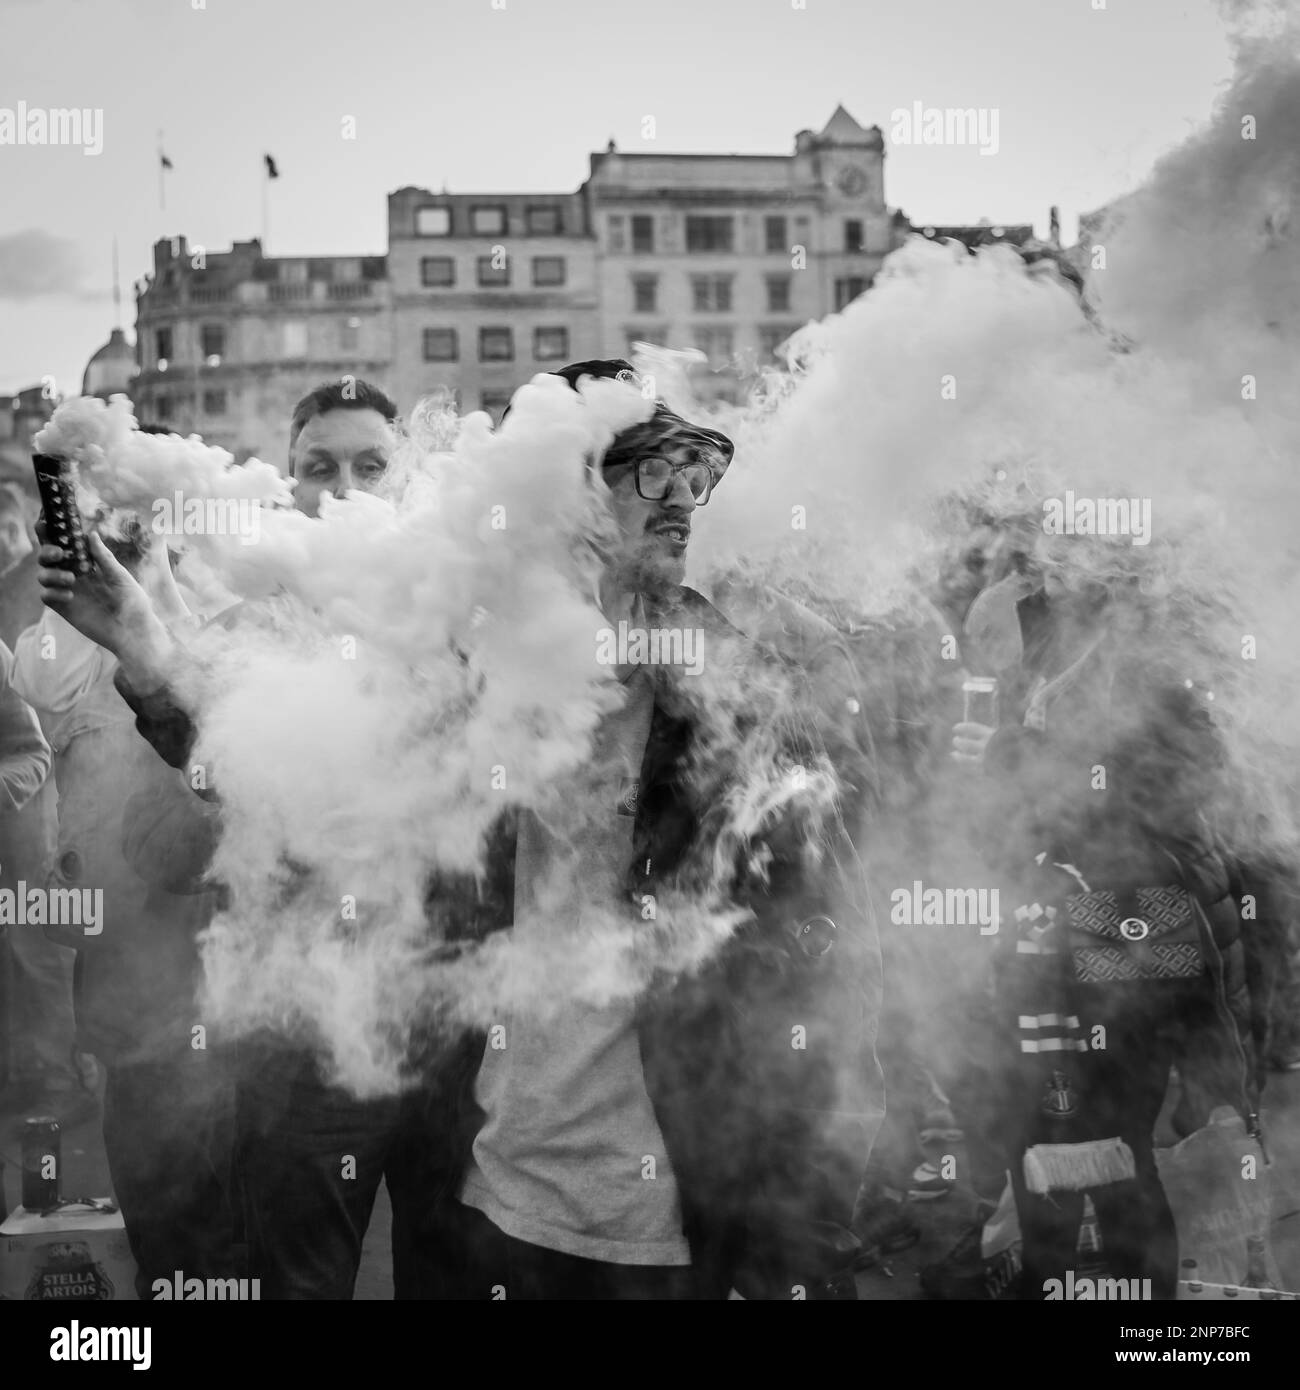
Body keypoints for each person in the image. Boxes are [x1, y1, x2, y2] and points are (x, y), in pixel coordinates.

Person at [424, 359, 884, 1299]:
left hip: (690, 1209)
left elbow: (831, 929)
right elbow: (309, 801)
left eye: (692, 477)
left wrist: (822, 1170)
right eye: (645, 473)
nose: (681, 500)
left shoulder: (733, 684)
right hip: (507, 1195)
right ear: (563, 502)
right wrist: (148, 658)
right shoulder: (474, 678)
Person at [34, 378, 451, 1300]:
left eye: (370, 465)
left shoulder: (469, 620)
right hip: (307, 1052)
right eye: (319, 468)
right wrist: (153, 657)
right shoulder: (245, 633)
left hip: (464, 1039)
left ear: (408, 478)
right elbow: (162, 850)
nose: (344, 488)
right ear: (291, 485)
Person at [950, 529, 1259, 1301]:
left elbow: (1166, 783)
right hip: (1086, 928)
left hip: (1129, 925)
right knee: (1064, 1151)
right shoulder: (1050, 630)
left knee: (1103, 1153)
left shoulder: (1140, 647)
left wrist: (1009, 758)